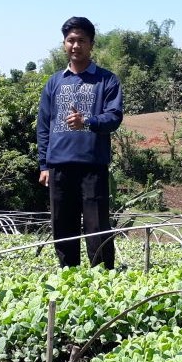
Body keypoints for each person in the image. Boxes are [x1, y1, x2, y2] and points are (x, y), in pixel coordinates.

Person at [37, 16, 124, 269]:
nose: (76, 46)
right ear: (64, 44)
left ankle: (103, 274)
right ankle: (69, 274)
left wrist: (87, 121)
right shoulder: (54, 82)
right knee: (63, 225)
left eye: (81, 41)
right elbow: (44, 126)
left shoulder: (107, 80)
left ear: (91, 44)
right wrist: (44, 164)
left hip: (92, 165)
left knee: (97, 225)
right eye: (70, 40)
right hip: (59, 165)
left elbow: (114, 117)